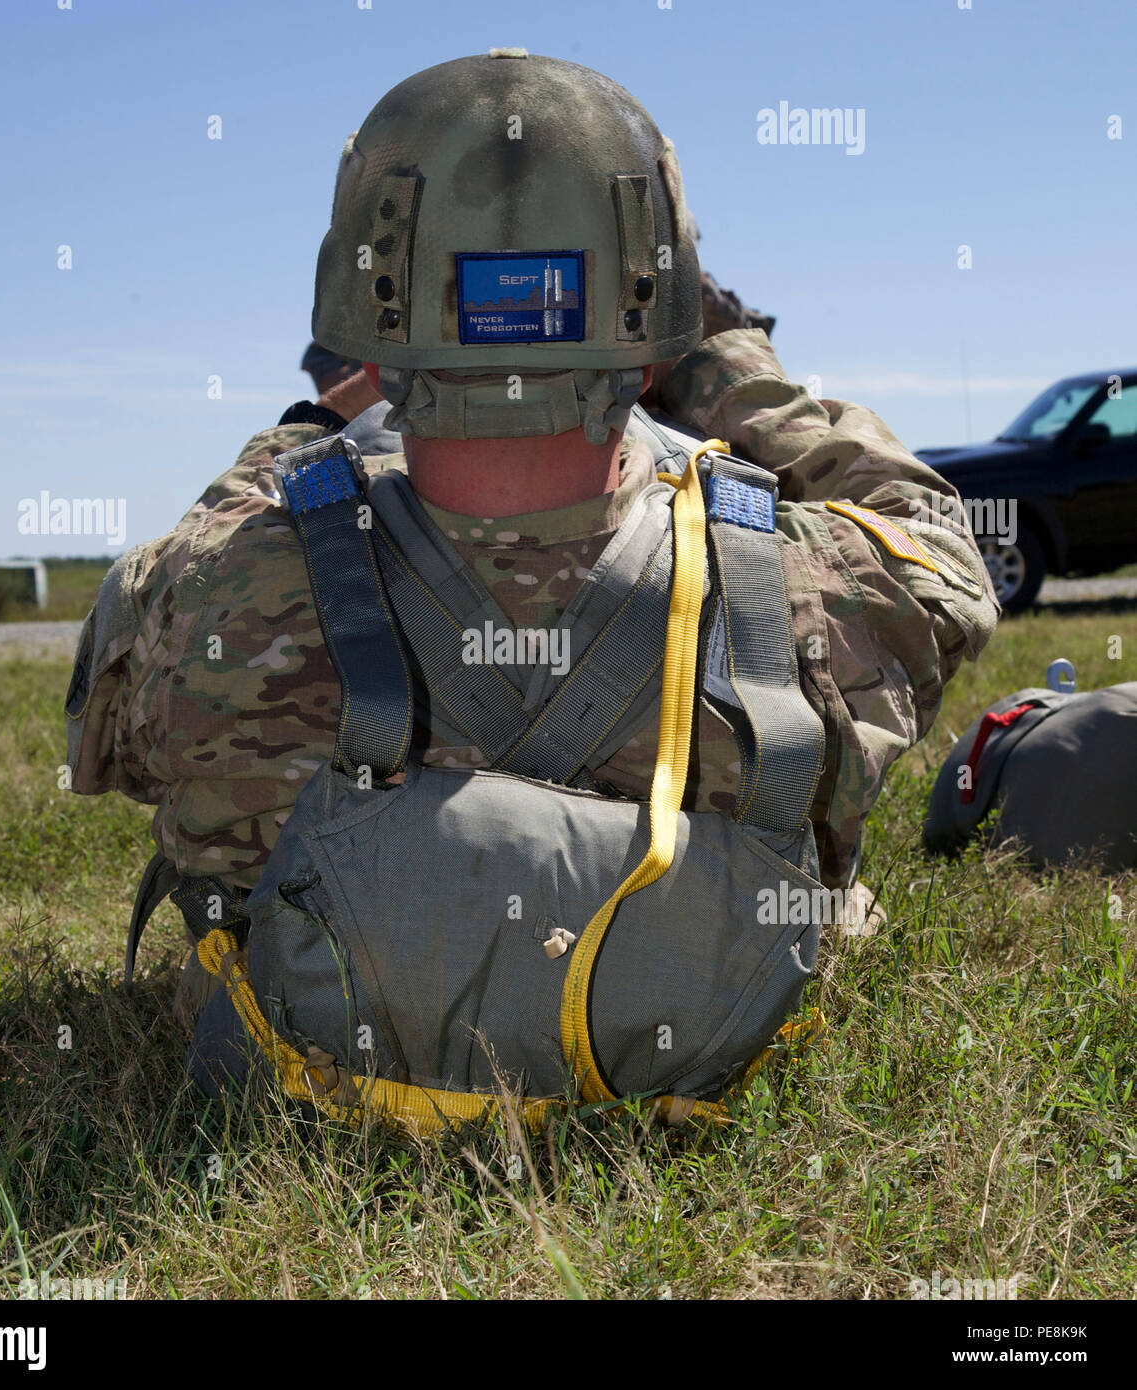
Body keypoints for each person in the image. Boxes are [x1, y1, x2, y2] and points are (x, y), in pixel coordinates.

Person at [66, 50, 998, 1113]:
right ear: (655, 325)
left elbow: (104, 723)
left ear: (363, 321)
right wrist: (726, 361)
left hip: (300, 1070)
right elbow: (938, 543)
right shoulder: (807, 590)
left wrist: (306, 434)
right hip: (708, 1069)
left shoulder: (217, 596)